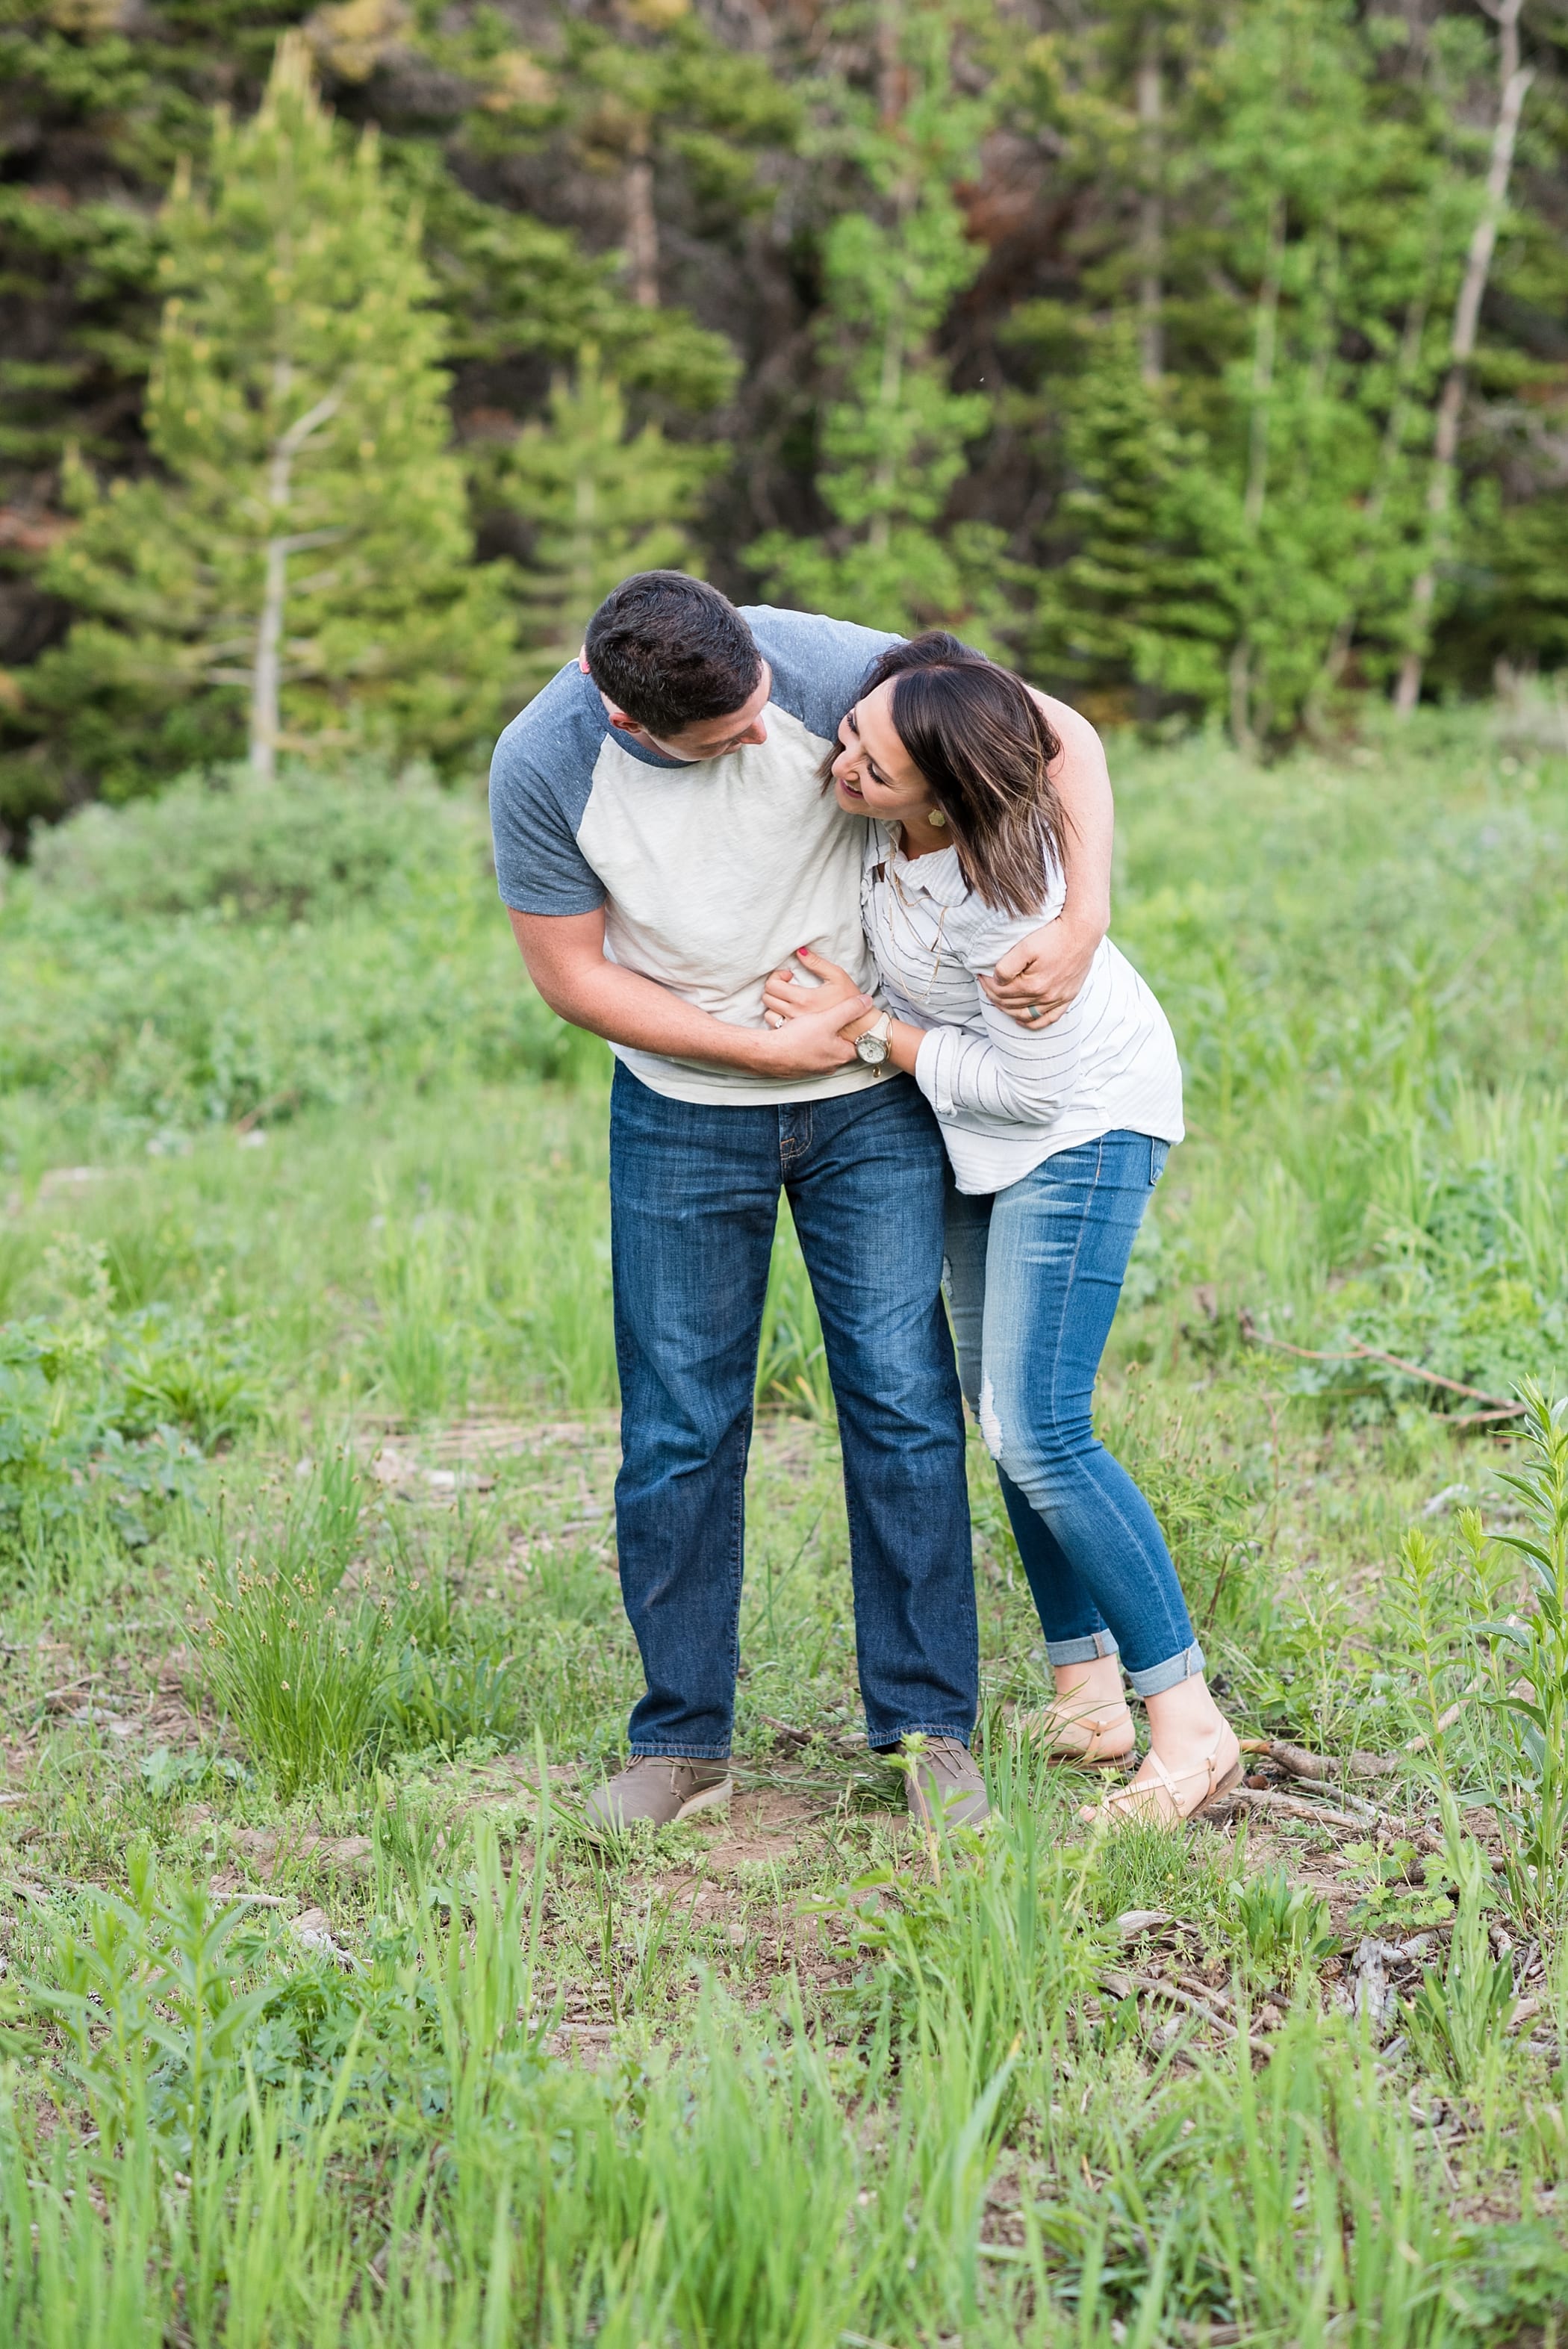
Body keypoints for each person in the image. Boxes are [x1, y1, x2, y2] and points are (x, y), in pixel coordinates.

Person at [488, 573, 1116, 1835]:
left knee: (899, 1399)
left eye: (764, 696)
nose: (784, 728)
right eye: (728, 731)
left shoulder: (824, 665)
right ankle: (681, 1742)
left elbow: (1066, 739)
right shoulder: (544, 765)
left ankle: (929, 1731)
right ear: (627, 718)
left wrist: (1087, 913)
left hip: (871, 1095)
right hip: (678, 1109)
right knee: (677, 1420)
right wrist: (758, 1055)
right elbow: (570, 973)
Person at [762, 632, 1242, 1827]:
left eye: (874, 762)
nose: (845, 761)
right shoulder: (902, 811)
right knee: (1005, 1415)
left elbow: (1031, 1089)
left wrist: (873, 1030)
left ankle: (1189, 1724)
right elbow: (1059, 721)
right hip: (989, 1138)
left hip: (1080, 1127)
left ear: (946, 787)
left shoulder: (1006, 898)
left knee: (1040, 1425)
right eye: (853, 733)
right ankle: (1087, 1695)